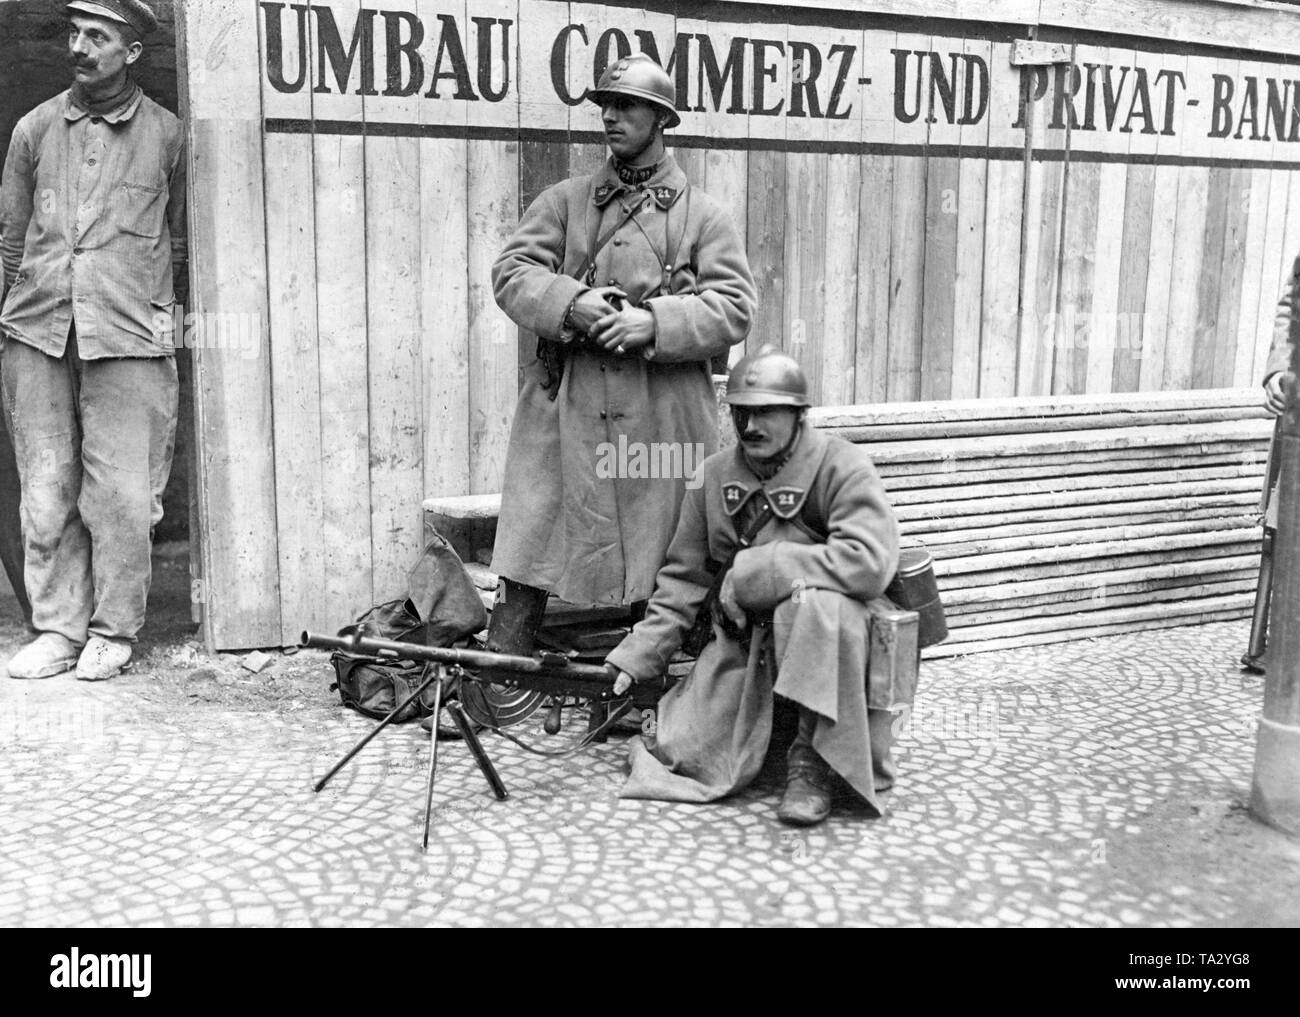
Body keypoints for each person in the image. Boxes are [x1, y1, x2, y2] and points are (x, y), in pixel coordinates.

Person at [486, 52, 756, 664]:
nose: (610, 116)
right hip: (568, 405)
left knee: (666, 545)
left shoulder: (703, 216)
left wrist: (650, 322)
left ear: (660, 118)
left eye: (625, 105)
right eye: (605, 105)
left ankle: (655, 677)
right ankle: (500, 672)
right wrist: (575, 303)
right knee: (533, 532)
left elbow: (735, 307)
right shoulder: (564, 202)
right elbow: (510, 272)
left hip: (660, 410)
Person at [605, 347, 903, 827]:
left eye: (765, 412)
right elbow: (685, 576)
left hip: (834, 642)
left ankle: (814, 763)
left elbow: (870, 563)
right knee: (679, 751)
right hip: (748, 646)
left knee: (813, 604)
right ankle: (774, 732)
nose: (750, 427)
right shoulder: (714, 476)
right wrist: (640, 654)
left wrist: (767, 568)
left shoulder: (841, 466)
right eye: (742, 412)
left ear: (799, 415)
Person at [0, 0, 185, 681]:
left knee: (123, 496)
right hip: (37, 327)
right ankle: (57, 628)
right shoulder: (35, 129)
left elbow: (190, 241)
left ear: (133, 51)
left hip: (130, 333)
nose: (79, 47)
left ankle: (113, 630)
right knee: (46, 487)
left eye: (98, 36)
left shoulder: (169, 136)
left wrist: (172, 325)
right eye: (75, 33)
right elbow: (10, 240)